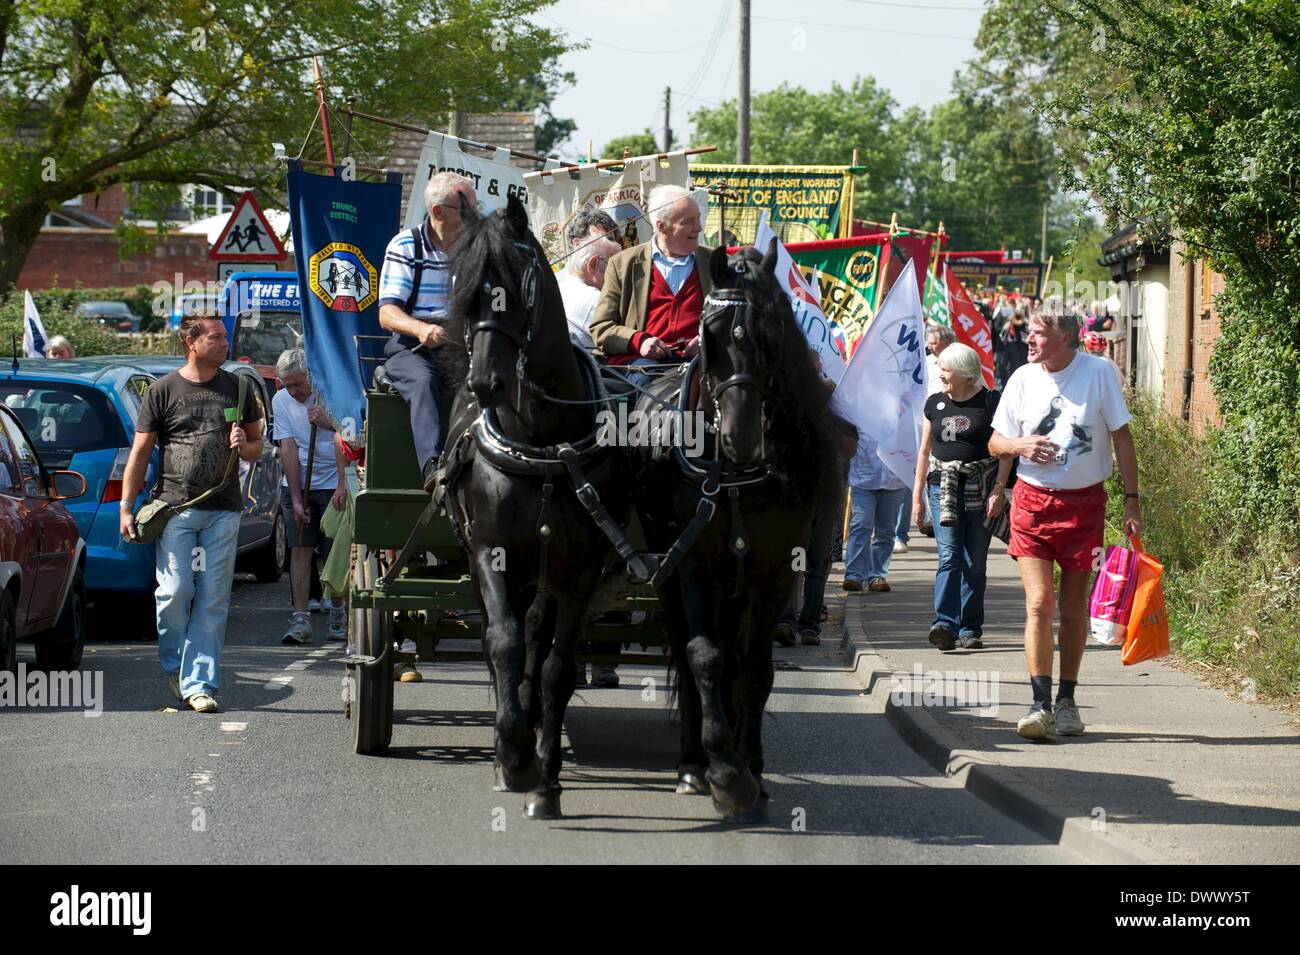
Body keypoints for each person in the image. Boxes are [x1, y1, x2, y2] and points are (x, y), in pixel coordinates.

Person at [989, 311, 1142, 741]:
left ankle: (1067, 701)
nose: (1029, 338)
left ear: (1066, 337)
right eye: (1031, 331)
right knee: (1040, 603)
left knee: (1073, 608)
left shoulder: (1097, 372)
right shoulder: (1022, 378)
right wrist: (1020, 445)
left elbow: (1121, 437)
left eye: (1039, 333)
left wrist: (1133, 501)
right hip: (1032, 503)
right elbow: (995, 441)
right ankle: (1039, 706)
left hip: (1085, 505)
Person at [119, 316, 264, 714]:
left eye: (225, 336)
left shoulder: (239, 386)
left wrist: (244, 443)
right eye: (216, 337)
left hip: (223, 509)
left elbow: (256, 446)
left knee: (213, 599)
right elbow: (141, 453)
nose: (224, 342)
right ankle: (174, 667)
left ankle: (200, 684)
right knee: (174, 593)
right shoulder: (163, 390)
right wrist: (126, 507)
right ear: (191, 342)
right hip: (175, 508)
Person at [377, 171, 478, 491]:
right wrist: (422, 329)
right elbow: (387, 313)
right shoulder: (406, 246)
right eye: (468, 212)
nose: (475, 220)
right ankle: (432, 467)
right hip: (412, 347)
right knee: (423, 381)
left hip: (463, 344)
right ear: (438, 212)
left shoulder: (475, 249)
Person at [913, 343, 1012, 652]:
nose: (940, 375)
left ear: (966, 374)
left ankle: (970, 628)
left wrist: (999, 489)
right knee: (949, 556)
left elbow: (1006, 451)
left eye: (946, 370)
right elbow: (924, 451)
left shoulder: (992, 401)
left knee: (975, 563)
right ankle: (944, 623)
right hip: (942, 486)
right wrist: (917, 497)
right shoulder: (934, 404)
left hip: (982, 488)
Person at [588, 183, 713, 388]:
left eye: (698, 218)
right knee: (650, 384)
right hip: (643, 365)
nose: (698, 227)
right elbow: (601, 328)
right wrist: (640, 341)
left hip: (702, 362)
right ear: (661, 226)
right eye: (689, 221)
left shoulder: (715, 262)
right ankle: (647, 423)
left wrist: (707, 340)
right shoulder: (622, 264)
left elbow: (735, 321)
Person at [272, 349, 349, 646]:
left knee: (335, 552)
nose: (292, 391)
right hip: (301, 482)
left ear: (311, 376)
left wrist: (329, 422)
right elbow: (288, 448)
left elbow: (353, 435)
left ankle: (338, 611)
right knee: (300, 548)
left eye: (297, 384)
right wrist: (295, 498)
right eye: (286, 385)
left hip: (335, 481)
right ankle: (300, 617)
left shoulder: (330, 393)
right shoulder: (281, 401)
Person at [842, 433, 908, 593]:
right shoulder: (860, 410)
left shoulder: (904, 409)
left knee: (886, 530)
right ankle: (853, 576)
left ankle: (877, 576)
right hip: (863, 477)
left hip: (894, 479)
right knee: (861, 524)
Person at [557, 235, 621, 351]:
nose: (620, 275)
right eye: (616, 267)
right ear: (593, 264)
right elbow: (625, 335)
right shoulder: (590, 298)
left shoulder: (563, 287)